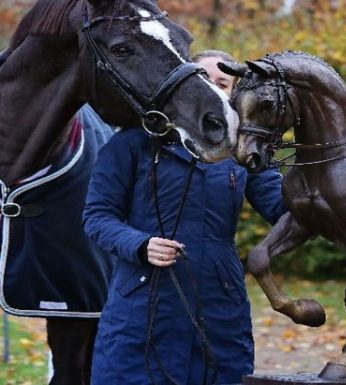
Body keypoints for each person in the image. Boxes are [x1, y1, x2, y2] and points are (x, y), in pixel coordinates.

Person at [83, 50, 287, 384]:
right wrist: (140, 244)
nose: (211, 88)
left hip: (219, 302)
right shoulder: (133, 142)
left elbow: (284, 209)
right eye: (202, 79)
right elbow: (97, 216)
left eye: (222, 82)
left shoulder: (243, 151)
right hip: (141, 301)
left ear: (233, 95)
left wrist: (321, 176)